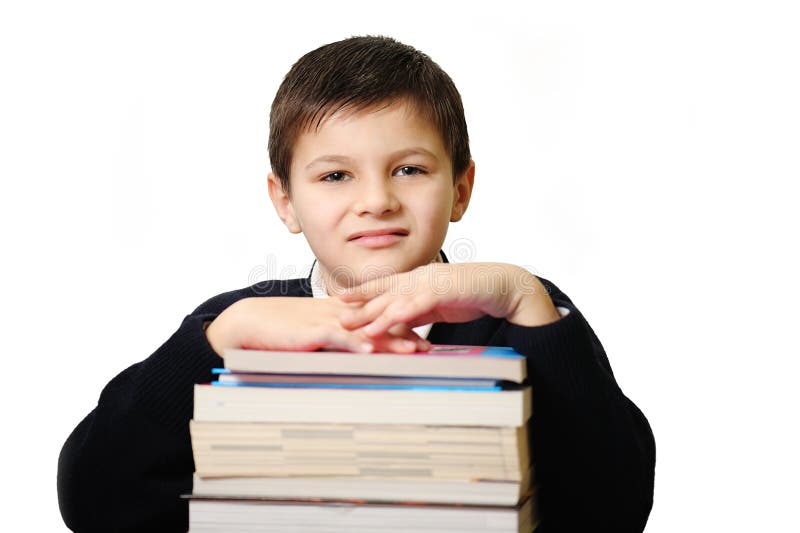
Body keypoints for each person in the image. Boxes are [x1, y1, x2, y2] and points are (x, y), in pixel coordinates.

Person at [57, 35, 655, 532]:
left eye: (410, 169)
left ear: (461, 189)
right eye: (336, 174)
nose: (375, 201)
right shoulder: (231, 326)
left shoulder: (525, 316)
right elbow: (94, 499)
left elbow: (614, 508)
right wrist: (215, 340)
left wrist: (529, 301)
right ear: (285, 201)